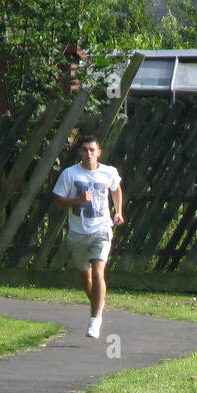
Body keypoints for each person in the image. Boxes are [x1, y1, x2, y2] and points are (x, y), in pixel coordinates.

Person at [51, 134, 124, 339]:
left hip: (101, 229)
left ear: (99, 152)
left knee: (99, 272)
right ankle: (98, 303)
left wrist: (118, 212)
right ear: (79, 152)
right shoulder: (70, 174)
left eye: (92, 150)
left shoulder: (108, 172)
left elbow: (116, 189)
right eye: (85, 149)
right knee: (86, 275)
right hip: (78, 232)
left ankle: (95, 320)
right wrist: (78, 200)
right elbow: (58, 202)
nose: (89, 153)